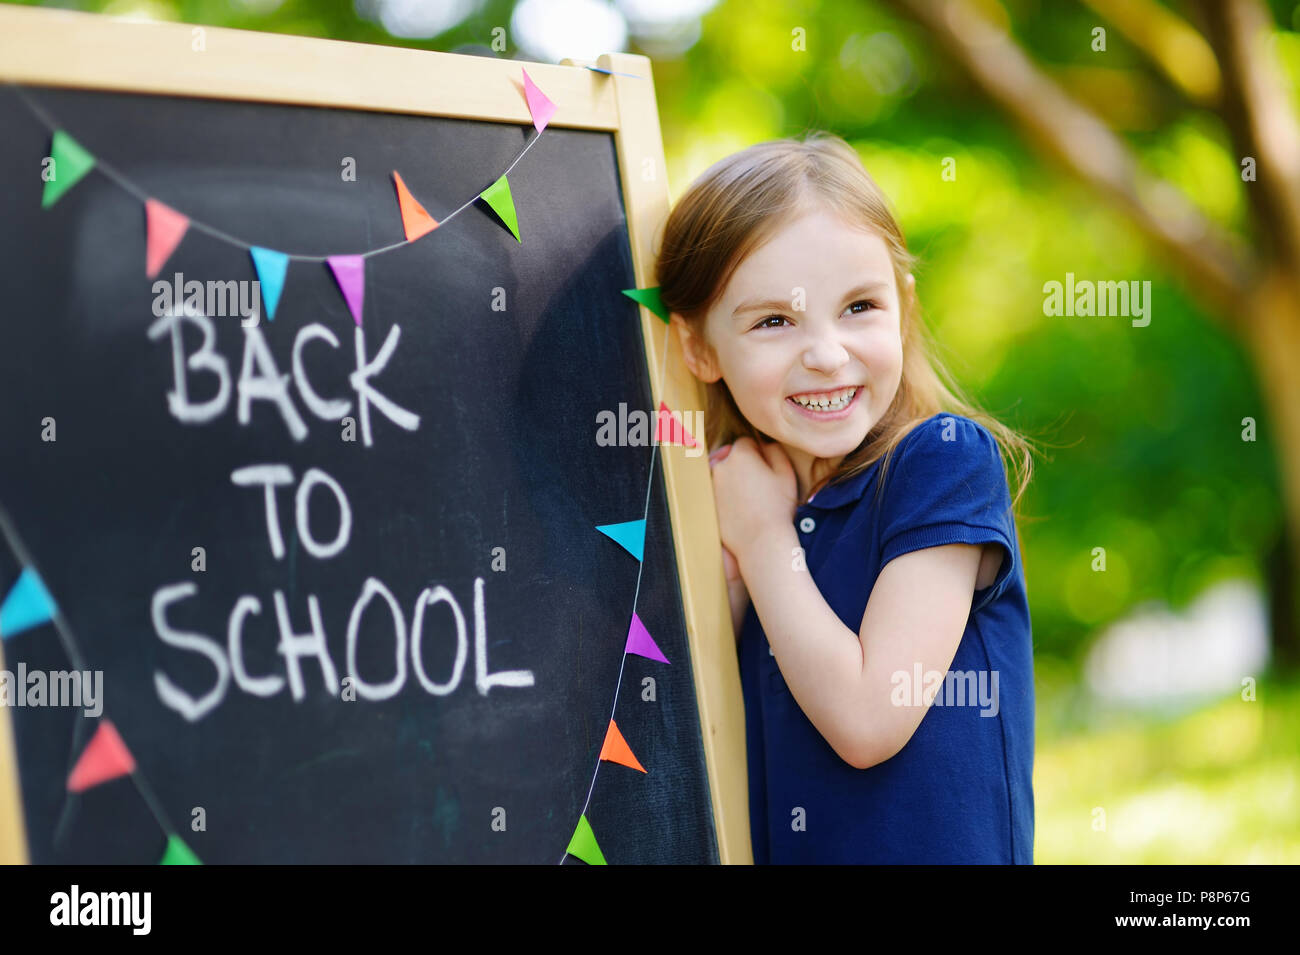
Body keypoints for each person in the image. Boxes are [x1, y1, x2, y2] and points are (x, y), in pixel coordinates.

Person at [655, 132, 1037, 864]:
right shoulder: (739, 495)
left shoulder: (941, 464)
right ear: (698, 348)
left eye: (859, 306)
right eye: (774, 321)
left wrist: (766, 543)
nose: (827, 353)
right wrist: (734, 562)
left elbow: (869, 718)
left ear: (903, 306)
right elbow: (692, 718)